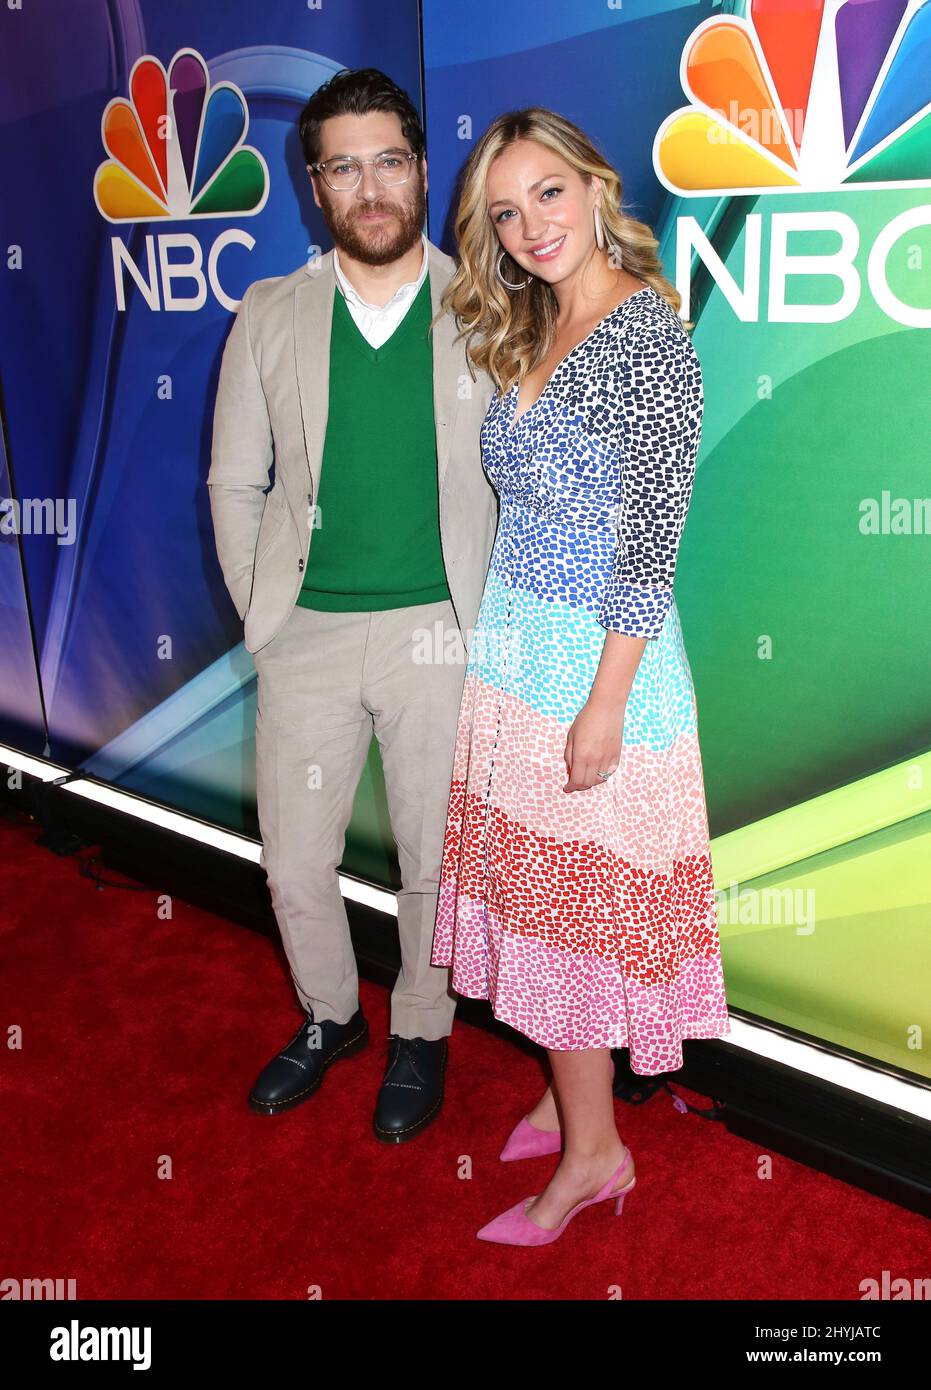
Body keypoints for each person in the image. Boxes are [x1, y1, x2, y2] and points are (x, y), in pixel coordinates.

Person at [430, 107, 730, 1242]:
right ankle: (574, 1103)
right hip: (518, 654)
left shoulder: (646, 336)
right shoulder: (533, 328)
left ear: (594, 186)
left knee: (572, 925)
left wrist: (603, 703)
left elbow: (650, 544)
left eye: (546, 193)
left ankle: (598, 1155)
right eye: (504, 212)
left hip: (597, 674)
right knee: (539, 906)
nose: (528, 226)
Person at [207, 68, 497, 1143]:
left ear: (420, 173)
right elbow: (236, 481)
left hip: (441, 633)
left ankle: (421, 1028)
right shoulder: (270, 313)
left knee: (431, 857)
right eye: (343, 167)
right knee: (292, 859)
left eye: (388, 162)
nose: (368, 188)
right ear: (315, 188)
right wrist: (263, 615)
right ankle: (332, 1017)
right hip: (309, 637)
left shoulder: (486, 305)